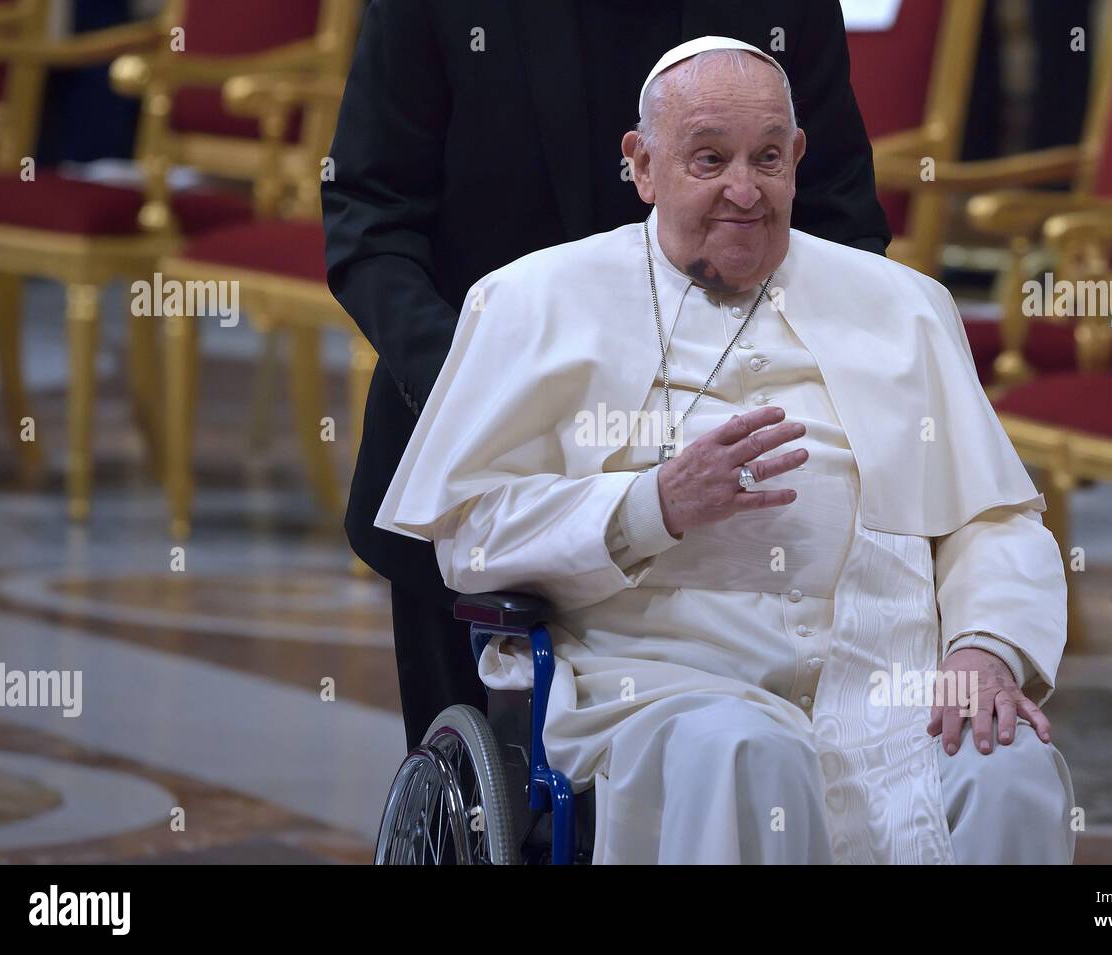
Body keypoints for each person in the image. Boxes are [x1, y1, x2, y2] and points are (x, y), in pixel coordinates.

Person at [378, 38, 1076, 864]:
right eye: (709, 159)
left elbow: (993, 517)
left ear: (798, 160)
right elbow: (473, 532)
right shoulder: (533, 301)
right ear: (642, 165)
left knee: (1010, 770)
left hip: (895, 686)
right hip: (667, 688)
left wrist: (984, 648)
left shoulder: (905, 305)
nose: (744, 191)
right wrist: (654, 504)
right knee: (751, 752)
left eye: (768, 159)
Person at [322, 0, 890, 751]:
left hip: (731, 499)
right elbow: (372, 217)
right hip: (489, 478)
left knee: (750, 767)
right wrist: (473, 386)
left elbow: (839, 219)